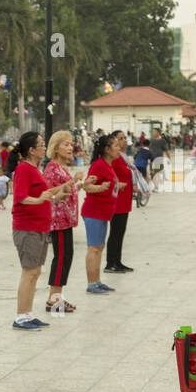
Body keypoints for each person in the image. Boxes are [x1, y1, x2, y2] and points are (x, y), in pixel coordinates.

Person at [9, 132, 75, 330]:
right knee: (29, 272)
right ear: (31, 150)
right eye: (40, 145)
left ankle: (28, 313)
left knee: (35, 271)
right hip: (27, 227)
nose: (43, 147)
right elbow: (20, 197)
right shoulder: (23, 169)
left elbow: (43, 194)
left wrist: (57, 196)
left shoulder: (35, 169)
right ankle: (21, 317)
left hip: (39, 226)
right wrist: (39, 200)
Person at [43, 130, 104, 315]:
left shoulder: (61, 167)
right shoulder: (52, 168)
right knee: (61, 258)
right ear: (55, 147)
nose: (70, 148)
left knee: (65, 257)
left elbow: (68, 189)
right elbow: (51, 192)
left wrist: (82, 184)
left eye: (71, 144)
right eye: (66, 144)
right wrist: (75, 180)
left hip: (67, 220)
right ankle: (54, 301)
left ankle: (56, 299)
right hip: (58, 220)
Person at [82, 133, 121, 293]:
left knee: (99, 247)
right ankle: (91, 284)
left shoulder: (108, 165)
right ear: (106, 149)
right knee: (94, 248)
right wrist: (99, 188)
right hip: (94, 212)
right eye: (116, 146)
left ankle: (97, 281)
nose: (120, 148)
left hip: (103, 213)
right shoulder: (98, 165)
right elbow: (86, 185)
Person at [104, 132, 135, 274]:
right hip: (118, 201)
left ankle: (117, 261)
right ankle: (111, 263)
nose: (123, 142)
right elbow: (111, 176)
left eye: (124, 139)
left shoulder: (123, 157)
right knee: (116, 232)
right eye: (119, 140)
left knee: (121, 232)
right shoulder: (114, 159)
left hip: (125, 199)